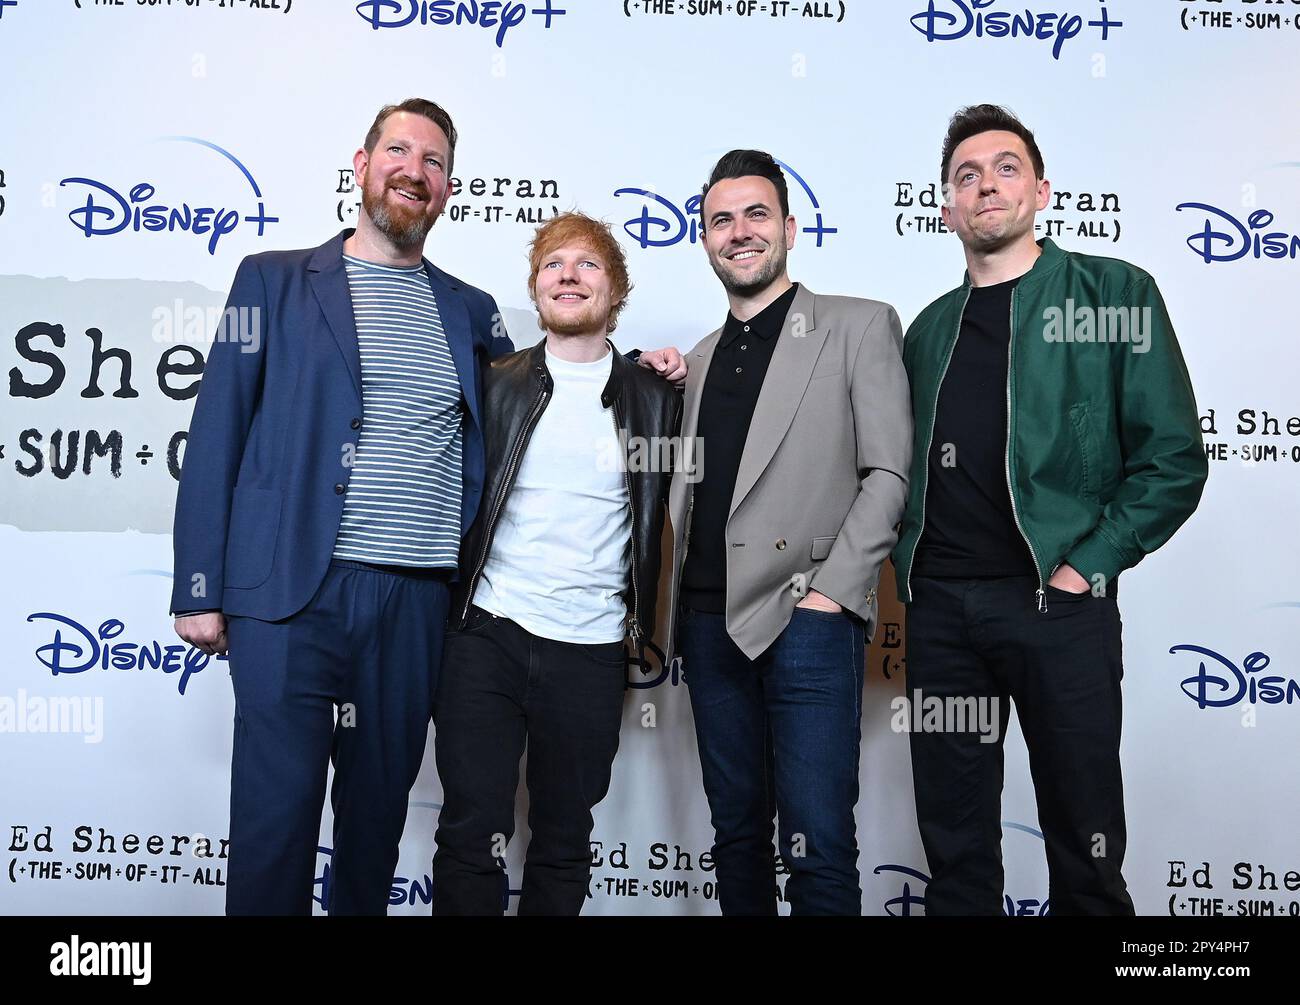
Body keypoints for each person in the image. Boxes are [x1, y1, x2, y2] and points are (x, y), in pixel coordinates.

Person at [170, 98, 514, 915]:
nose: (414, 170)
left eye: (432, 161)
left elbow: (542, 404)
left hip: (414, 603)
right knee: (273, 823)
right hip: (290, 595)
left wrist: (641, 373)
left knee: (373, 831)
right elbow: (218, 428)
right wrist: (199, 587)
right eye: (398, 150)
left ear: (448, 188)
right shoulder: (272, 279)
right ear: (360, 166)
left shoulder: (471, 310)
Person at [892, 104, 1208, 915]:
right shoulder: (927, 331)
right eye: (966, 175)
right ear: (945, 207)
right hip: (943, 618)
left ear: (1041, 188)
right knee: (955, 852)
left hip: (1058, 608)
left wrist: (1086, 567)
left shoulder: (1113, 293)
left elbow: (1172, 459)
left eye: (1004, 167)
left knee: (1085, 845)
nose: (986, 184)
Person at [663, 150, 913, 915]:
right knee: (736, 835)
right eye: (721, 220)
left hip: (807, 622)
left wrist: (832, 597)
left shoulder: (859, 324)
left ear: (791, 228)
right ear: (705, 238)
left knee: (817, 843)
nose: (740, 232)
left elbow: (889, 475)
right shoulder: (698, 359)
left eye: (756, 214)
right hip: (708, 627)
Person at [431, 212, 682, 915]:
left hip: (592, 648)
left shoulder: (658, 398)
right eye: (553, 264)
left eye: (588, 264)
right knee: (470, 833)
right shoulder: (492, 382)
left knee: (565, 841)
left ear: (618, 290)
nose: (568, 274)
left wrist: (673, 368)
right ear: (536, 287)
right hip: (487, 637)